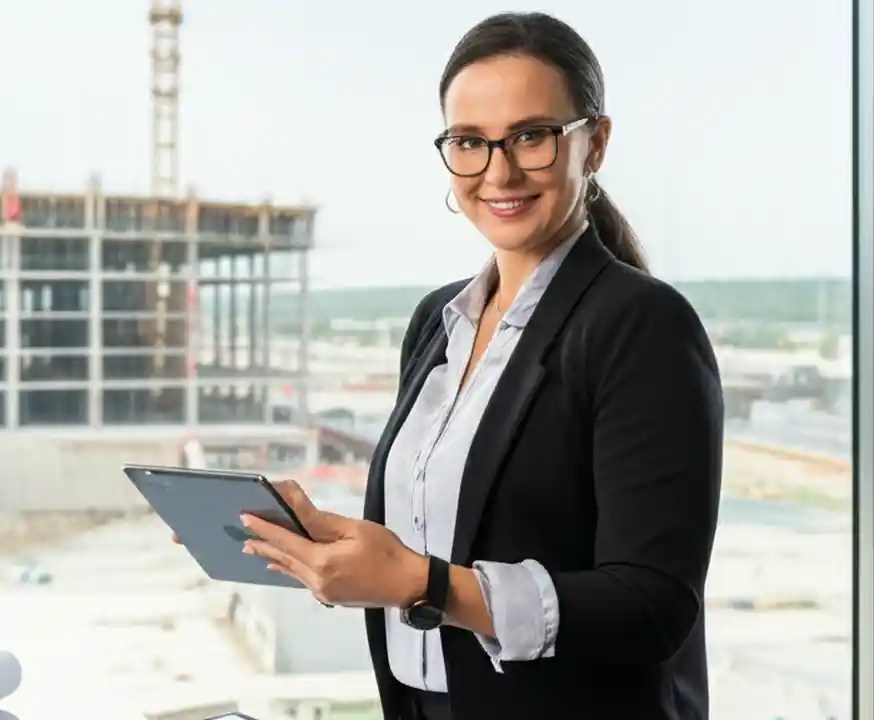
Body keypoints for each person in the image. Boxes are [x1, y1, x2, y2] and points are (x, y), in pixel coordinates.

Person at [239, 11, 723, 719]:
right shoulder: (437, 321)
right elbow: (445, 531)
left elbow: (652, 604)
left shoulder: (643, 326)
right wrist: (329, 549)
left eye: (531, 136)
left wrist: (422, 583)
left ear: (595, 144)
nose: (499, 172)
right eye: (469, 141)